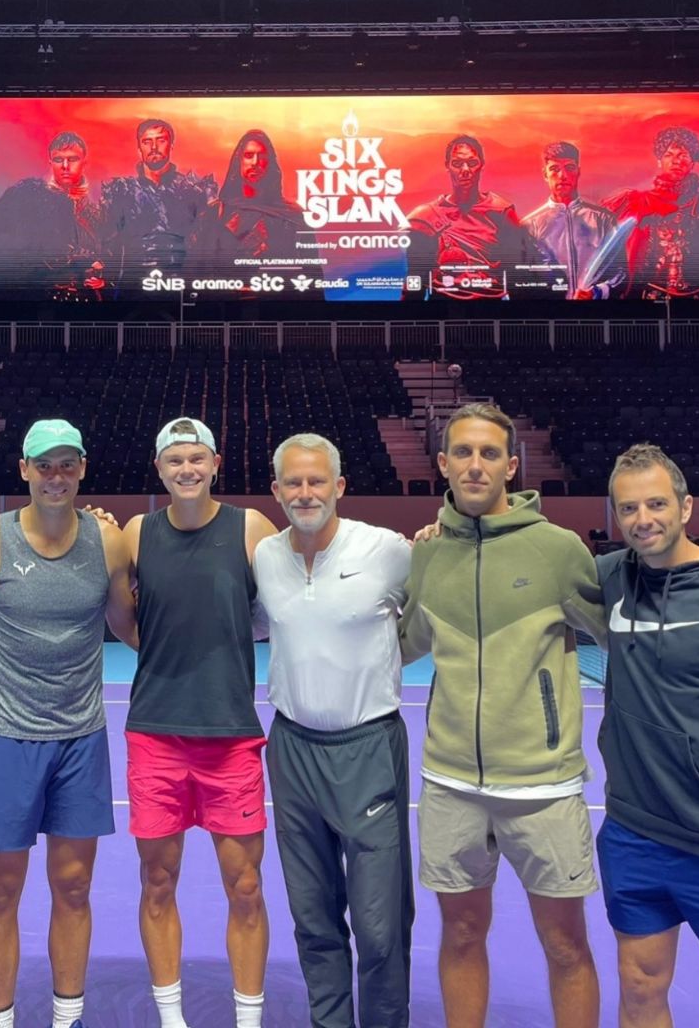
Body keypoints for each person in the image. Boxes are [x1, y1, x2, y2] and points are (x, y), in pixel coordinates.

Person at [399, 402, 607, 1028]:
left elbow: (617, 632)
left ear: (511, 466)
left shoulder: (558, 550)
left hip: (543, 786)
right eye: (462, 452)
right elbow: (403, 645)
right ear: (442, 464)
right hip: (450, 783)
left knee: (565, 944)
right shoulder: (429, 554)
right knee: (461, 934)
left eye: (489, 453)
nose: (475, 465)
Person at [0, 419, 138, 1028]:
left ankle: (68, 1018)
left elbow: (128, 626)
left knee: (74, 888)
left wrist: (208, 648)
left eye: (66, 464)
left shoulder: (109, 542)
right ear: (24, 470)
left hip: (81, 742)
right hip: (7, 741)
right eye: (44, 465)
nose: (55, 476)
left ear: (82, 469)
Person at [123, 417, 277, 1028]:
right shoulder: (137, 533)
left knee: (246, 886)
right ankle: (172, 1019)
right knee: (158, 881)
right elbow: (119, 614)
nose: (186, 469)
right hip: (154, 733)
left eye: (196, 458)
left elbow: (292, 594)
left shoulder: (251, 527)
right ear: (159, 469)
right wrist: (167, 650)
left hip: (231, 735)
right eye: (174, 460)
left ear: (215, 463)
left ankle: (248, 1019)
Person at [254, 434, 413, 1028]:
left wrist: (389, 658)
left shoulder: (388, 550)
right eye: (293, 483)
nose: (305, 493)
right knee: (313, 917)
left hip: (368, 748)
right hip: (292, 749)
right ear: (276, 491)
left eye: (316, 481)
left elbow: (433, 609)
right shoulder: (265, 556)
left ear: (339, 486)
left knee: (379, 924)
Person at [597, 444, 699, 1026]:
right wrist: (442, 532)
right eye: (628, 508)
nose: (643, 519)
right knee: (639, 987)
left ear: (686, 507)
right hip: (635, 831)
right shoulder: (612, 576)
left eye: (656, 504)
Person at [603, 126, 699, 299]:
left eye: (683, 155)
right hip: (649, 299)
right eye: (669, 155)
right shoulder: (639, 204)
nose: (676, 161)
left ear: (693, 162)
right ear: (659, 161)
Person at [403, 134, 538, 300]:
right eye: (457, 163)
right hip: (442, 308)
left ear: (481, 165)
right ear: (447, 166)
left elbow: (516, 279)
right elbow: (414, 283)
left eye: (472, 163)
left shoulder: (502, 212)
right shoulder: (425, 218)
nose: (465, 170)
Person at [0, 130, 105, 300]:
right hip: (39, 298)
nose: (65, 166)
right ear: (50, 162)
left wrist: (103, 275)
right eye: (58, 159)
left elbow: (111, 253)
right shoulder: (28, 197)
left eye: (72, 159)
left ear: (84, 162)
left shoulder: (97, 207)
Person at [99, 119, 216, 292]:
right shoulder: (121, 192)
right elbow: (109, 244)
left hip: (181, 288)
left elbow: (206, 245)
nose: (154, 147)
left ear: (171, 145)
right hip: (133, 289)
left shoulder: (194, 191)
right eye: (147, 141)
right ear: (139, 149)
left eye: (160, 140)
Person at [189, 129, 319, 277]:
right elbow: (195, 271)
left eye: (262, 156)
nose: (255, 162)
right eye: (249, 155)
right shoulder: (214, 214)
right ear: (239, 161)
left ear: (270, 164)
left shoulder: (293, 215)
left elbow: (313, 274)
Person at [521, 141, 625, 300]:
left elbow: (621, 273)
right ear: (545, 174)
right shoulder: (529, 226)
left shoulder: (604, 220)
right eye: (555, 169)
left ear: (578, 171)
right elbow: (523, 280)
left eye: (569, 168)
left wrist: (596, 293)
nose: (562, 176)